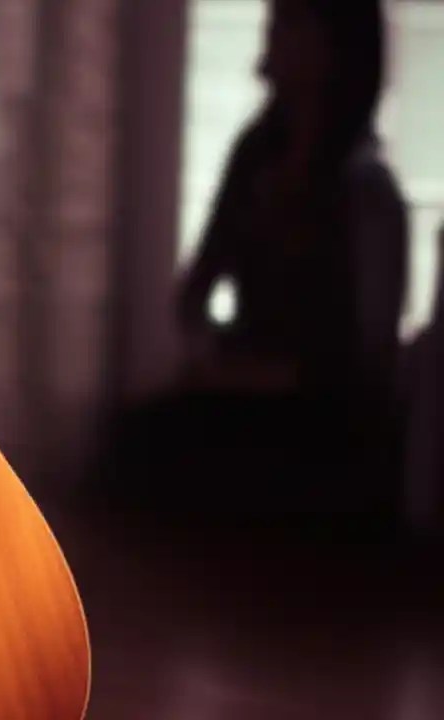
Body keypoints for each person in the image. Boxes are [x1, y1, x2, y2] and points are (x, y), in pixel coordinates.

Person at [170, 0, 408, 527]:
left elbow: (367, 360)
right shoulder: (254, 154)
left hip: (322, 420)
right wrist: (208, 352)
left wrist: (266, 378)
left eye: (288, 22)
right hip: (244, 391)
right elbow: (197, 287)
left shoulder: (365, 185)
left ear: (333, 49)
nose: (270, 34)